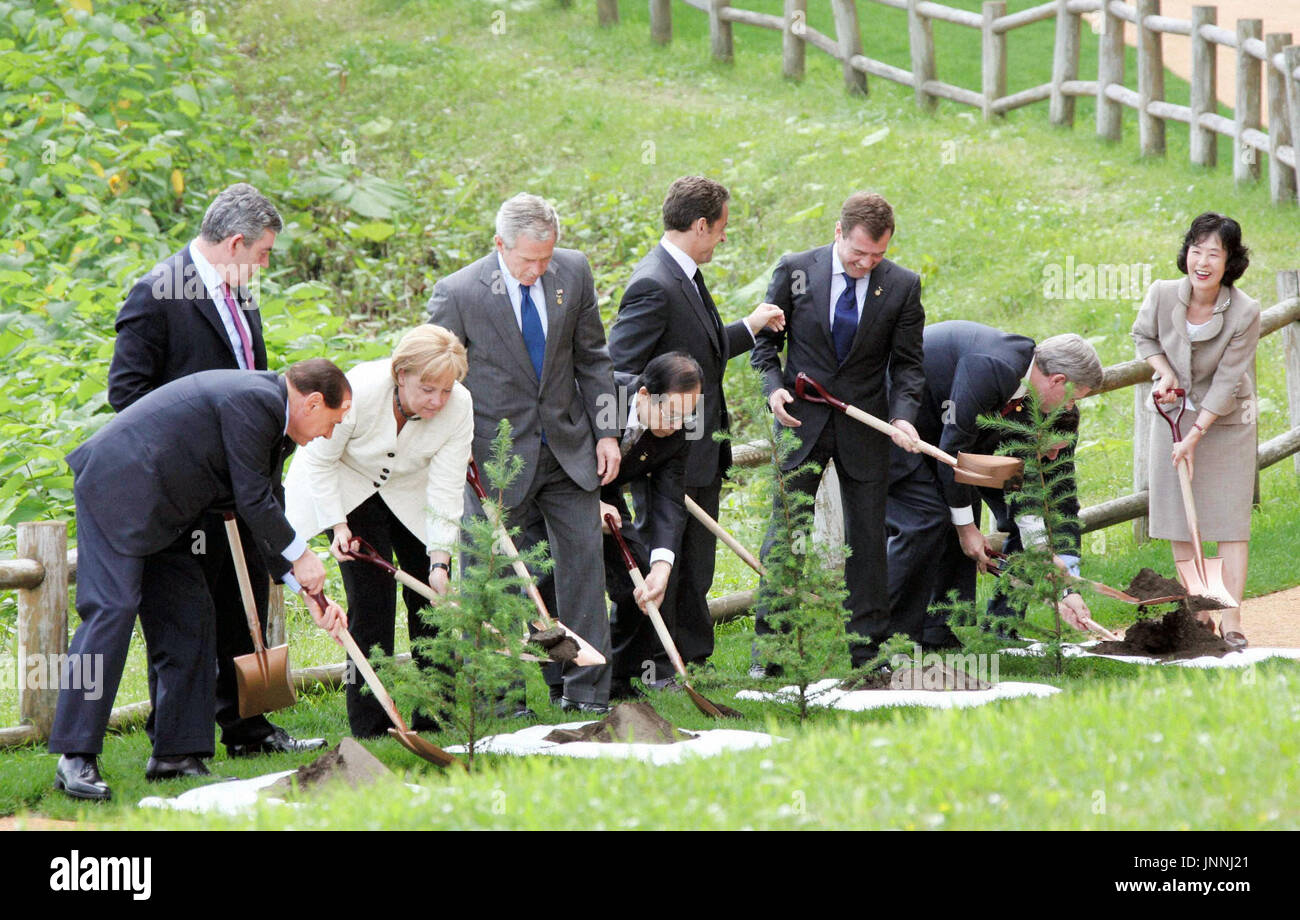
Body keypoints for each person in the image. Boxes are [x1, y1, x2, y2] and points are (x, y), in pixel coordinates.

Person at [49, 361, 351, 801]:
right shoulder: (258, 401)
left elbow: (263, 501)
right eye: (333, 421)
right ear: (312, 402)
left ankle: (176, 755)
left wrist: (303, 585)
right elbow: (251, 498)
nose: (329, 433)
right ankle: (74, 756)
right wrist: (302, 555)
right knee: (110, 612)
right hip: (118, 487)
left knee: (191, 616)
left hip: (171, 512)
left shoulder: (277, 419)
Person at [106, 182, 323, 757]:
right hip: (184, 491)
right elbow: (127, 397)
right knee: (187, 623)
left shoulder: (240, 292)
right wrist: (190, 449)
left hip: (244, 488)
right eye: (265, 252)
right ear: (235, 242)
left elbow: (257, 381)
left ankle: (250, 731)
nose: (267, 264)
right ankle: (177, 740)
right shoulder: (157, 293)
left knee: (242, 610)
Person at [427, 193, 620, 713]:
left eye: (546, 257)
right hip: (493, 458)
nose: (539, 269)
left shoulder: (574, 271)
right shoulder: (459, 293)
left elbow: (593, 357)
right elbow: (437, 378)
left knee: (583, 569)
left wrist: (606, 432)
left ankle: (585, 693)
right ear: (500, 245)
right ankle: (504, 698)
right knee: (500, 581)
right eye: (528, 260)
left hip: (568, 448)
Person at [608, 177, 783, 675]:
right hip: (664, 449)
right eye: (722, 228)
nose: (724, 238)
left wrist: (748, 328)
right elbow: (618, 369)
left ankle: (688, 655)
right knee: (668, 560)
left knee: (695, 563)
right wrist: (616, 442)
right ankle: (654, 664)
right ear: (701, 224)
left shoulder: (682, 273)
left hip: (697, 451)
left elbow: (697, 350)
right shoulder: (652, 283)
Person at [749, 191, 925, 673]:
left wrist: (903, 416)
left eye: (878, 255)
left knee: (868, 542)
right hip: (800, 423)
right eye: (857, 253)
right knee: (786, 536)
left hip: (865, 429)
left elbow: (909, 366)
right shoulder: (795, 269)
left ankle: (868, 653)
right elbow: (765, 344)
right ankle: (772, 652)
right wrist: (772, 389)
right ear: (838, 233)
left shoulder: (904, 286)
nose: (866, 263)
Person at [283, 325, 473, 737]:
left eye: (446, 390)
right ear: (400, 373)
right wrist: (338, 526)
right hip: (348, 489)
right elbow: (319, 462)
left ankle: (436, 713)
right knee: (372, 603)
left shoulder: (459, 407)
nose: (438, 401)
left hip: (410, 491)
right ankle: (371, 723)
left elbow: (446, 484)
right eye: (427, 389)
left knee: (430, 598)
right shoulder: (360, 392)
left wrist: (440, 560)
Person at [884, 322, 1104, 647]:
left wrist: (1059, 578)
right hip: (902, 419)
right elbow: (953, 451)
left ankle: (941, 631)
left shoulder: (1034, 404)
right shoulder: (993, 368)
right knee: (927, 519)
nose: (1071, 408)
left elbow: (1027, 497)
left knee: (962, 509)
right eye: (1073, 399)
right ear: (1058, 380)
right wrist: (966, 529)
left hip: (956, 440)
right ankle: (888, 638)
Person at [535, 352, 701, 700]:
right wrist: (583, 502)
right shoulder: (598, 397)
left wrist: (661, 565)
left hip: (605, 492)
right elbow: (553, 449)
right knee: (549, 585)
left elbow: (669, 498)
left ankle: (617, 680)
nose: (677, 423)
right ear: (642, 395)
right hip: (549, 486)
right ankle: (562, 683)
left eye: (687, 416)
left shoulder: (678, 427)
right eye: (670, 413)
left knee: (638, 582)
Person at [1131, 212, 1258, 648]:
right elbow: (1143, 338)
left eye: (1214, 253)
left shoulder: (1245, 311)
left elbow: (1226, 380)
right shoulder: (1163, 294)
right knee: (1179, 522)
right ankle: (1200, 614)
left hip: (1224, 423)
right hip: (1172, 416)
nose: (1202, 261)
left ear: (1230, 262)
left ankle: (1233, 620)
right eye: (1196, 249)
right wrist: (1164, 372)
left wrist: (1196, 434)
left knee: (1228, 521)